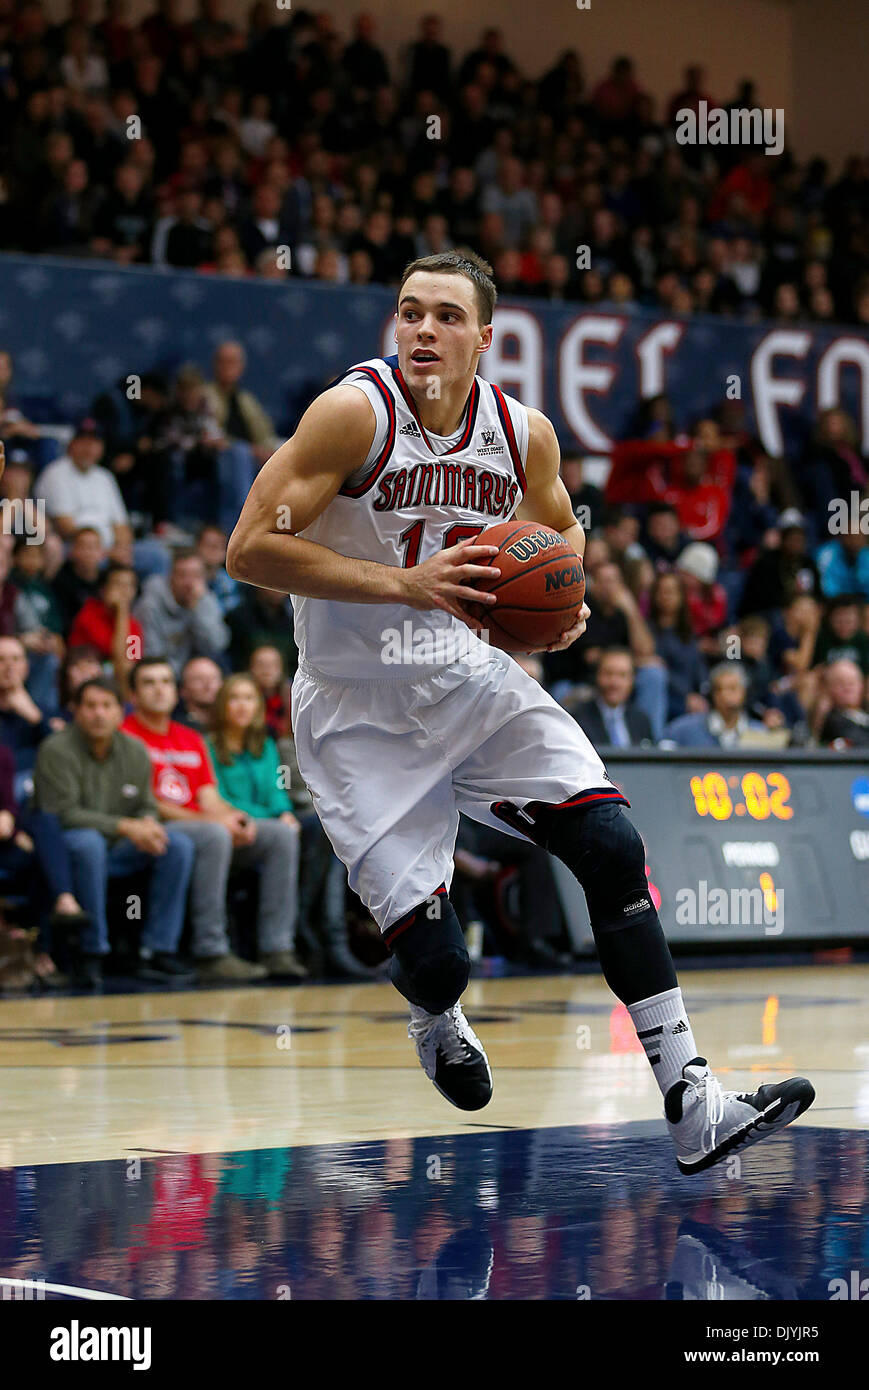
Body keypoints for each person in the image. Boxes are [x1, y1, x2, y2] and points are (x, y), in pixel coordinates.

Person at [226, 249, 813, 1173]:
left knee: (612, 845)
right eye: (410, 313)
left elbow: (562, 528)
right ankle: (433, 1007)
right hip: (355, 713)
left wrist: (562, 600)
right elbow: (249, 548)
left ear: (483, 340)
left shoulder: (520, 431)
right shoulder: (351, 415)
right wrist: (404, 583)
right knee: (439, 961)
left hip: (470, 680)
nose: (423, 330)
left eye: (446, 317)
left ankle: (690, 1097)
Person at [121, 658, 304, 981]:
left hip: (203, 825)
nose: (159, 689)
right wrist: (215, 823)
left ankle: (277, 948)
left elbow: (209, 796)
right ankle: (211, 951)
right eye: (149, 683)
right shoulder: (127, 737)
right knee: (214, 835)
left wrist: (233, 818)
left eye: (165, 681)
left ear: (176, 692)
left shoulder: (189, 737)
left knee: (279, 835)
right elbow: (149, 801)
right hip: (160, 827)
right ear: (133, 695)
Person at [33, 677, 196, 988]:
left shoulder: (135, 750)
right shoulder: (55, 749)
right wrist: (126, 826)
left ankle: (158, 949)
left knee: (177, 844)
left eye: (107, 706)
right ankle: (92, 952)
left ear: (121, 713)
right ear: (76, 711)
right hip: (70, 846)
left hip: (122, 847)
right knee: (89, 843)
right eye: (91, 706)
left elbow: (146, 804)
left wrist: (147, 824)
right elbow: (62, 815)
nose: (99, 714)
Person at [135, 548, 230, 677]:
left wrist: (197, 609)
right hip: (164, 675)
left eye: (196, 576)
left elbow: (216, 645)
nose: (190, 583)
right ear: (171, 577)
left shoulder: (205, 600)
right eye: (183, 575)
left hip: (194, 676)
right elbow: (151, 654)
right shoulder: (150, 604)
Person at [660, 662, 768, 748]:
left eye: (732, 688)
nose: (725, 695)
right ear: (712, 694)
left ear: (745, 691)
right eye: (719, 689)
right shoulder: (682, 730)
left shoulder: (759, 733)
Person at [572, 647, 655, 747]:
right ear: (596, 676)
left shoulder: (641, 720)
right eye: (608, 674)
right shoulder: (578, 718)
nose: (614, 683)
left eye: (622, 675)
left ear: (632, 680)